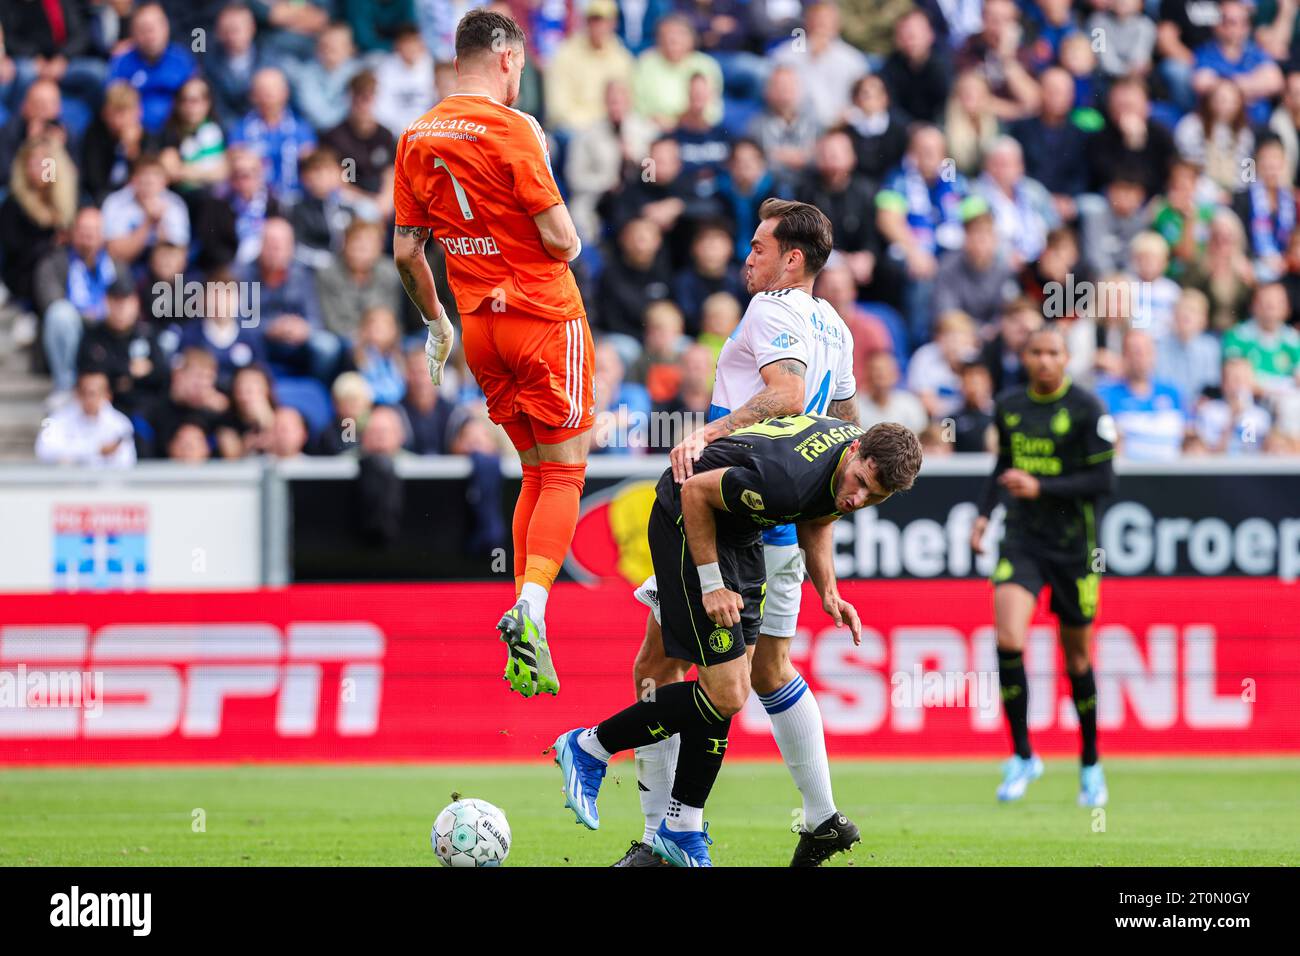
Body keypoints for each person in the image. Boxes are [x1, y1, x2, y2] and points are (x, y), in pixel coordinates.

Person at [552, 418, 922, 867]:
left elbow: (821, 513)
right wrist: (711, 584)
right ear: (857, 449)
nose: (858, 498)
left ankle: (682, 828)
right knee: (727, 691)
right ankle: (591, 747)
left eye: (875, 496)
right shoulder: (785, 480)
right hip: (686, 520)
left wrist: (828, 591)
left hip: (741, 532)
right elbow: (694, 493)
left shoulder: (851, 461)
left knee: (729, 688)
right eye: (860, 483)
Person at [618, 200, 866, 869]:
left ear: (793, 259)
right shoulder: (836, 328)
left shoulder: (771, 308)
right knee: (770, 670)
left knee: (662, 669)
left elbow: (785, 395)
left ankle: (661, 834)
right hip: (787, 522)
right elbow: (844, 427)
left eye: (758, 246)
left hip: (736, 512)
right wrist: (825, 557)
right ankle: (820, 816)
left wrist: (710, 433)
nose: (745, 256)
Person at [392, 9, 589, 699]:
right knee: (565, 475)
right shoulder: (514, 128)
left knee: (533, 469)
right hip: (541, 316)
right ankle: (531, 610)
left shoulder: (416, 135)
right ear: (506, 58)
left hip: (478, 326)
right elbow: (561, 239)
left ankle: (524, 622)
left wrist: (436, 322)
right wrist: (572, 242)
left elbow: (405, 252)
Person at [970, 324, 1117, 809]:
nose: (1045, 360)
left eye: (1053, 352)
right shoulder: (1010, 406)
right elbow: (1003, 467)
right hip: (1023, 542)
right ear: (1025, 356)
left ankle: (1091, 763)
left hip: (1075, 548)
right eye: (1036, 352)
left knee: (1076, 659)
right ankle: (1023, 755)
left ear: (1066, 358)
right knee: (1008, 638)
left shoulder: (1087, 409)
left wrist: (1042, 488)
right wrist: (985, 515)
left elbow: (1102, 481)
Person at [35, 370, 136, 469]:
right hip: (71, 483)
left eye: (93, 394)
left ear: (107, 395)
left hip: (108, 483)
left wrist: (72, 454)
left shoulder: (121, 423)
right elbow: (44, 451)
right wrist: (96, 450)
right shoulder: (58, 418)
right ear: (77, 394)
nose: (88, 399)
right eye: (83, 393)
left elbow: (127, 462)